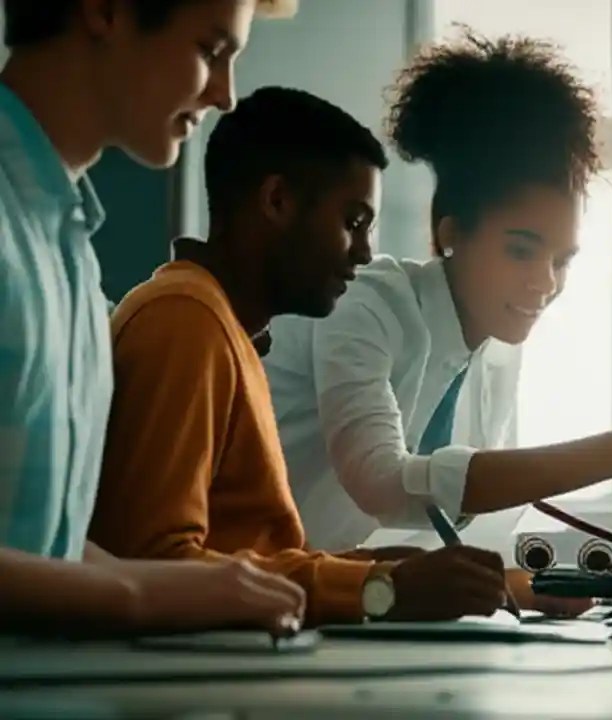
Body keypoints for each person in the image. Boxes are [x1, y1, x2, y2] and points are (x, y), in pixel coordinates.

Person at [263, 32, 612, 558]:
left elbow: (468, 523)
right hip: (255, 595)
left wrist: (535, 589)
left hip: (344, 600)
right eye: (521, 250)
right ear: (451, 233)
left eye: (562, 260)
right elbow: (383, 483)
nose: (545, 282)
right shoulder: (367, 305)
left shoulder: (499, 353)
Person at [88, 87, 509, 627]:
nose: (363, 253)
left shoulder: (230, 331)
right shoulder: (185, 321)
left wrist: (374, 570)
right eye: (353, 222)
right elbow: (154, 563)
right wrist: (378, 590)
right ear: (278, 202)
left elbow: (243, 552)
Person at [0, 0, 304, 634]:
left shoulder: (72, 253)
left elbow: (32, 542)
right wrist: (139, 595)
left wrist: (187, 583)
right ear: (106, 11)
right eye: (211, 52)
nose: (225, 97)